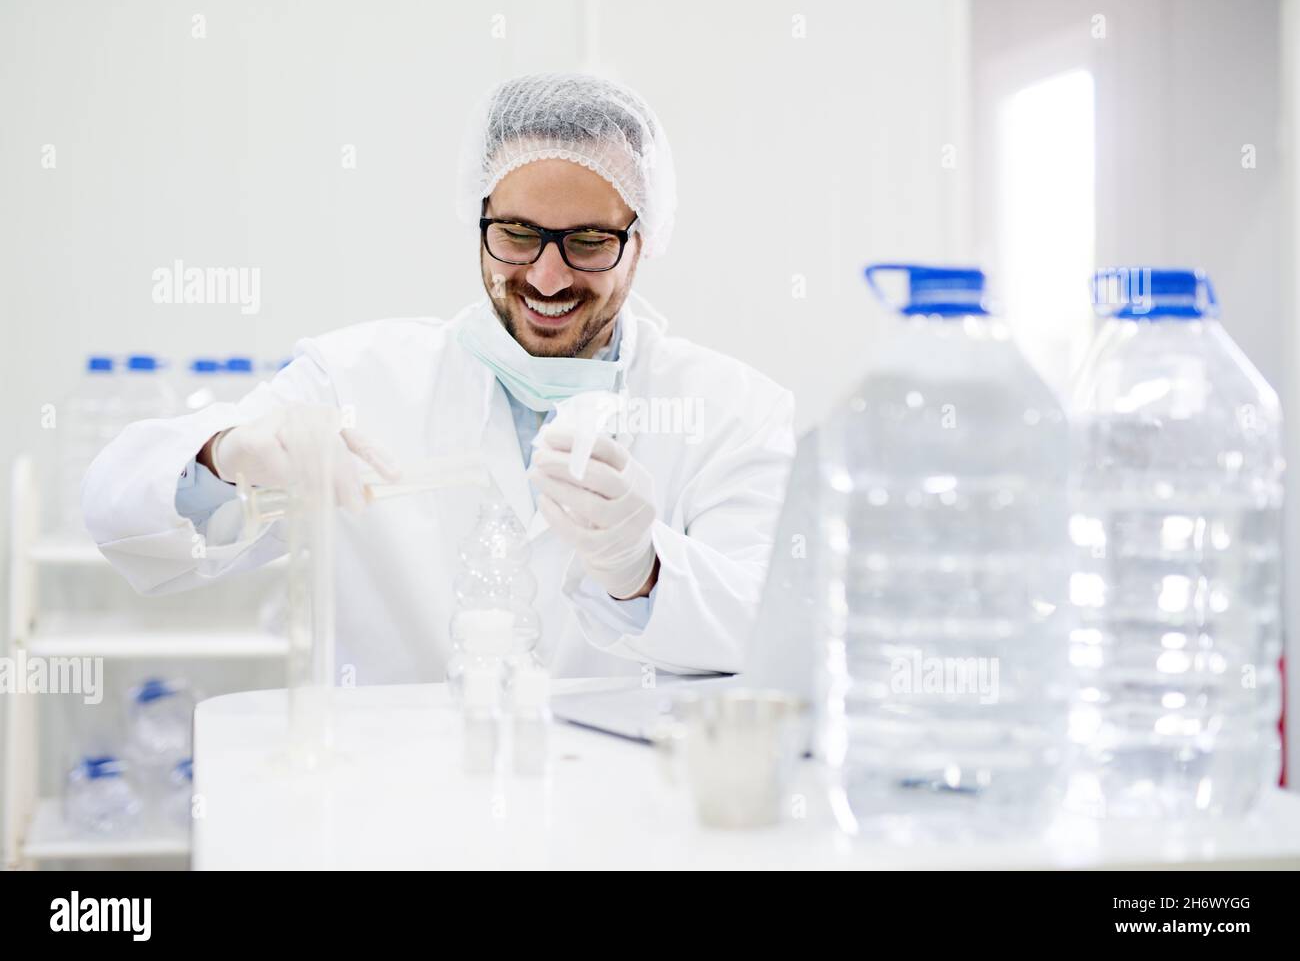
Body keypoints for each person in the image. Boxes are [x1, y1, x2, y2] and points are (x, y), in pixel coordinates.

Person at [83, 72, 796, 683]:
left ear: (639, 245)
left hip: (625, 826)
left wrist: (641, 569)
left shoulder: (733, 412)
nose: (547, 276)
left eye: (587, 241)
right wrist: (226, 454)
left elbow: (773, 639)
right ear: (477, 219)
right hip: (392, 820)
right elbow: (124, 523)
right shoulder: (357, 379)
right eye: (518, 234)